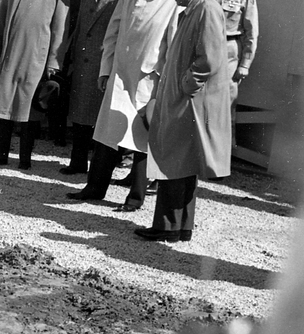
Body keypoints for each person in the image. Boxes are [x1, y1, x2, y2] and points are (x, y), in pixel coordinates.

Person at [66, 0, 179, 212]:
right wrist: (106, 70)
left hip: (148, 78)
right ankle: (94, 188)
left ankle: (136, 198)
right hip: (119, 75)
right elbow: (112, 33)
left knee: (142, 139)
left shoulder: (170, 4)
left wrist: (163, 81)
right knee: (107, 134)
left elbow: (172, 44)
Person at [136, 0, 230, 243]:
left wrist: (185, 86)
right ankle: (179, 227)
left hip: (188, 100)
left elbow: (208, 59)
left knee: (174, 160)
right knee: (182, 162)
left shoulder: (206, 8)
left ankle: (168, 226)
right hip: (184, 98)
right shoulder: (196, 9)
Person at [0, 0, 69, 170]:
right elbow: (1, 21)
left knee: (30, 109)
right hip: (11, 53)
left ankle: (25, 159)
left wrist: (53, 61)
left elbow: (60, 30)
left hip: (37, 56)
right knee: (5, 104)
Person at [59, 0, 118, 175]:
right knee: (80, 114)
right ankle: (78, 161)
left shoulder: (118, 2)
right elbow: (79, 28)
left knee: (100, 119)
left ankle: (101, 167)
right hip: (82, 62)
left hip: (103, 64)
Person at [219, 0, 258, 145]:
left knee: (227, 101)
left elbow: (252, 32)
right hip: (204, 47)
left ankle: (225, 148)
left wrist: (245, 64)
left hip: (229, 49)